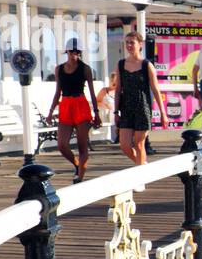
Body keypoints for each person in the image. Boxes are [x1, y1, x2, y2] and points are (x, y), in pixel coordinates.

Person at [45, 42, 101, 183]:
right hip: (66, 105)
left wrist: (97, 113)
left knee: (82, 145)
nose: (74, 54)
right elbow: (57, 91)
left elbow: (93, 93)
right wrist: (51, 111)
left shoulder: (85, 69)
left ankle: (80, 176)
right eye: (71, 51)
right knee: (62, 145)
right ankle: (77, 164)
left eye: (77, 51)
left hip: (81, 104)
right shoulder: (59, 69)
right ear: (67, 52)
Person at [114, 31, 165, 165]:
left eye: (132, 42)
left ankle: (140, 177)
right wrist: (115, 112)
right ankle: (142, 165)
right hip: (126, 109)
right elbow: (118, 89)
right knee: (124, 145)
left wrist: (163, 114)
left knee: (139, 144)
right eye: (127, 42)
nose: (129, 45)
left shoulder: (146, 65)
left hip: (142, 108)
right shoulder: (121, 64)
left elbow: (155, 90)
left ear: (140, 44)